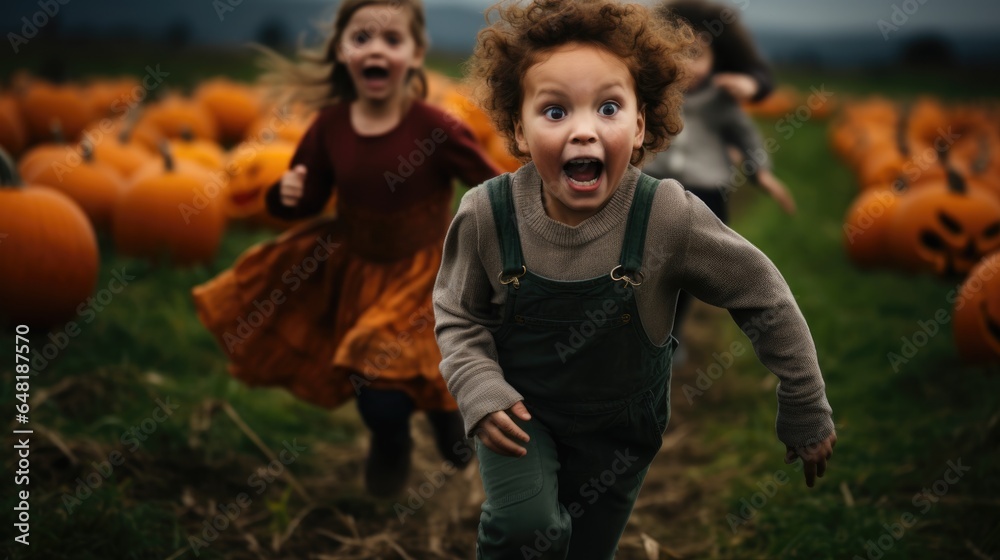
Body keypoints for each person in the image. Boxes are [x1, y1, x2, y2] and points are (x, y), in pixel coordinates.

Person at [431, 1, 836, 558]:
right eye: (554, 112)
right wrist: (477, 386)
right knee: (526, 531)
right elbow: (458, 312)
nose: (582, 131)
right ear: (517, 130)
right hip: (519, 417)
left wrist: (804, 403)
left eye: (609, 107)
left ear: (641, 123)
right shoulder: (487, 214)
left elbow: (764, 296)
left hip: (620, 436)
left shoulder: (668, 215)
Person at [192, 0, 501, 498]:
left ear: (415, 53)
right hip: (356, 270)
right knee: (380, 393)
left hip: (427, 273)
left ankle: (448, 418)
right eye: (362, 38)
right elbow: (307, 196)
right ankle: (390, 445)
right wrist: (284, 195)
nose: (376, 49)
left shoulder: (435, 128)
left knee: (442, 402)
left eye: (392, 39)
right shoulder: (330, 127)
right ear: (342, 51)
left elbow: (490, 186)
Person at [644, 0, 797, 345]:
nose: (689, 66)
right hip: (656, 189)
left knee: (688, 271)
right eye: (679, 54)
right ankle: (644, 328)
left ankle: (670, 335)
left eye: (698, 55)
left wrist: (762, 174)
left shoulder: (720, 101)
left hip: (706, 193)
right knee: (650, 266)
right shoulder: (652, 97)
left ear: (716, 59)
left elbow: (746, 136)